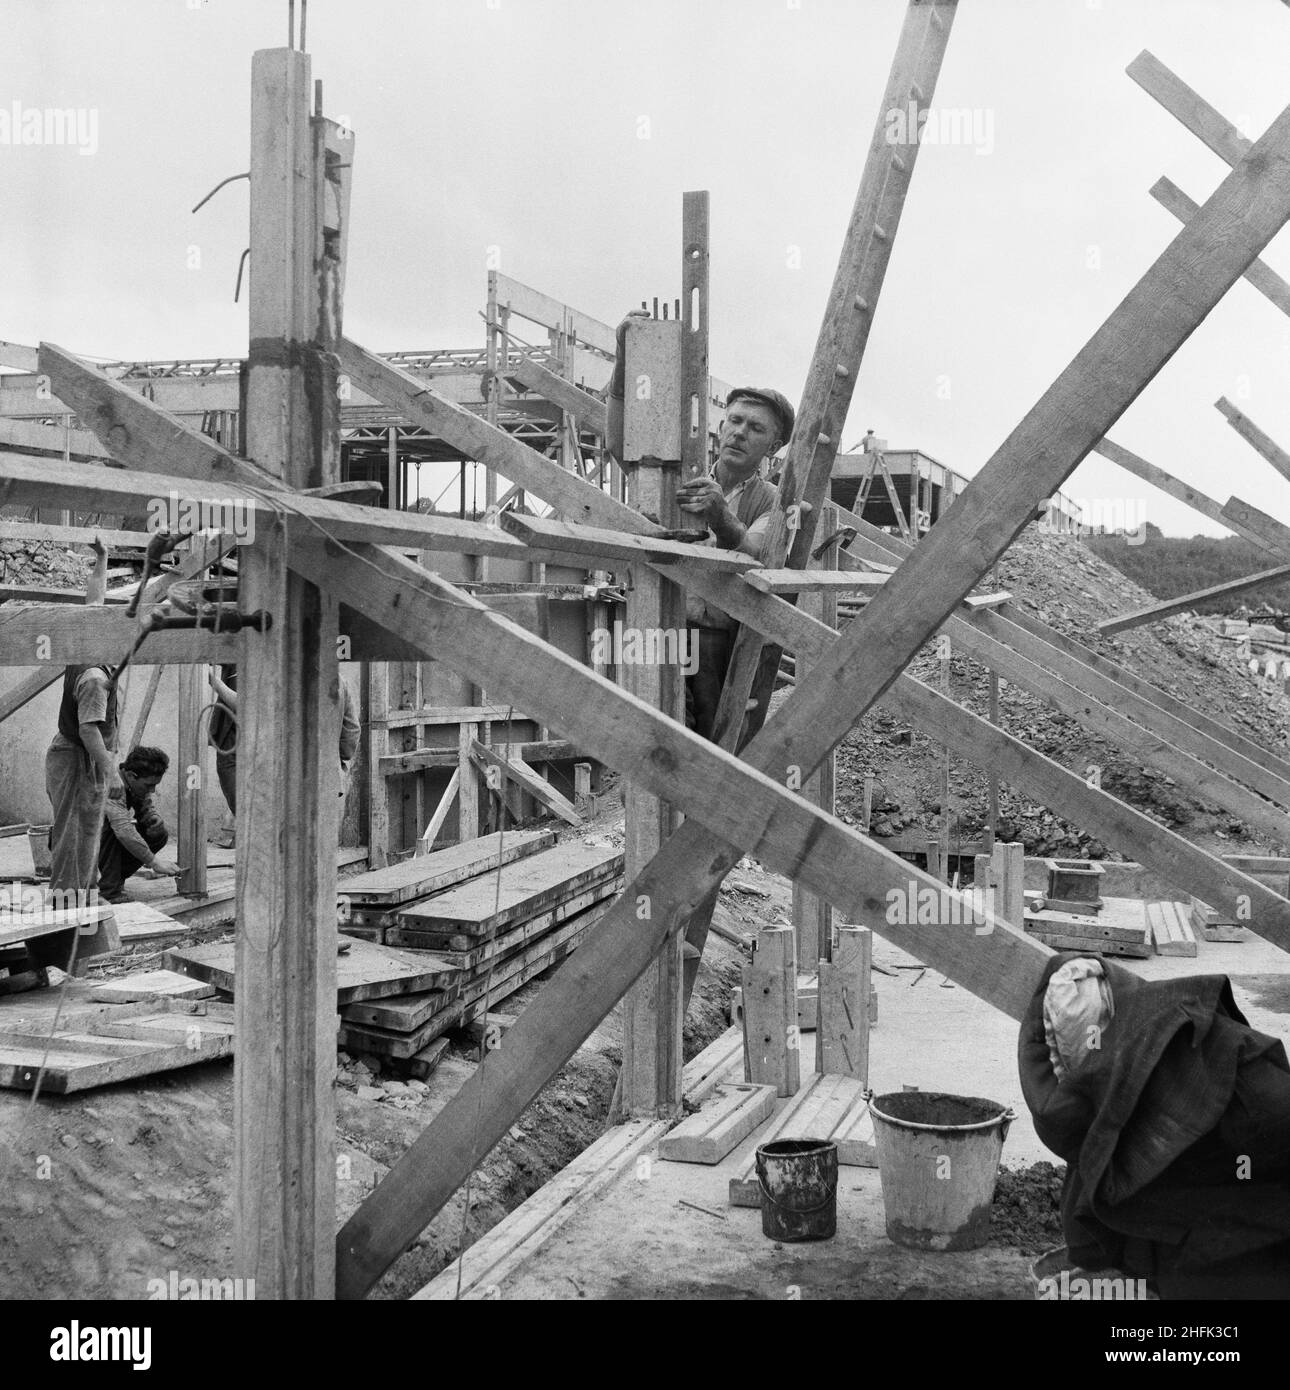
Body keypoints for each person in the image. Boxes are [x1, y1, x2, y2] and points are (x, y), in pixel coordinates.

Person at [606, 310, 796, 740]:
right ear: (720, 424)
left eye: (755, 428)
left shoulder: (771, 501)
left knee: (713, 747)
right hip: (660, 624)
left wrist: (720, 515)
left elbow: (758, 554)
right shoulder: (680, 479)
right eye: (735, 421)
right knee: (651, 740)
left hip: (717, 646)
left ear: (774, 445)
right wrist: (625, 357)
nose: (740, 433)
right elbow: (620, 443)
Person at [208, 664, 360, 827]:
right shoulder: (339, 681)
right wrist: (334, 761)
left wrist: (214, 682)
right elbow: (351, 733)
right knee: (316, 844)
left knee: (277, 842)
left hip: (287, 782)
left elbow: (248, 708)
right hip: (326, 781)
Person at [97, 745, 182, 903]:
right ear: (130, 775)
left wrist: (152, 817)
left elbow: (146, 805)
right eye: (148, 785)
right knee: (114, 830)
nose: (152, 790)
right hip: (78, 844)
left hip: (100, 843)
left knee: (158, 834)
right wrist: (154, 862)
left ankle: (115, 877)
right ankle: (110, 890)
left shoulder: (134, 784)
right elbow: (123, 830)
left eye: (155, 785)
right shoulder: (113, 785)